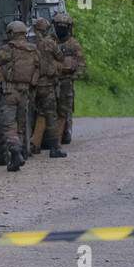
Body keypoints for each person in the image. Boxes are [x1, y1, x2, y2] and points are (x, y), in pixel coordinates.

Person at [0, 21, 38, 172]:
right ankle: (19, 154)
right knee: (21, 125)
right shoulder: (33, 49)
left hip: (9, 92)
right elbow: (38, 68)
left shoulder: (8, 49)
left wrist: (2, 70)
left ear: (11, 33)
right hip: (25, 92)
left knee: (9, 125)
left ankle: (15, 153)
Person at [28, 15, 67, 158]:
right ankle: (54, 148)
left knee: (28, 116)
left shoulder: (28, 43)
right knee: (51, 116)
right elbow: (60, 57)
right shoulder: (50, 43)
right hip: (47, 85)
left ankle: (29, 147)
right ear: (46, 29)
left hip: (30, 85)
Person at [53, 11, 85, 145]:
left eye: (64, 26)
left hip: (66, 81)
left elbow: (81, 64)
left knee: (65, 109)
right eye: (59, 26)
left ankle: (64, 134)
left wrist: (74, 75)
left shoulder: (73, 44)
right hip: (50, 81)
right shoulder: (50, 42)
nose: (62, 28)